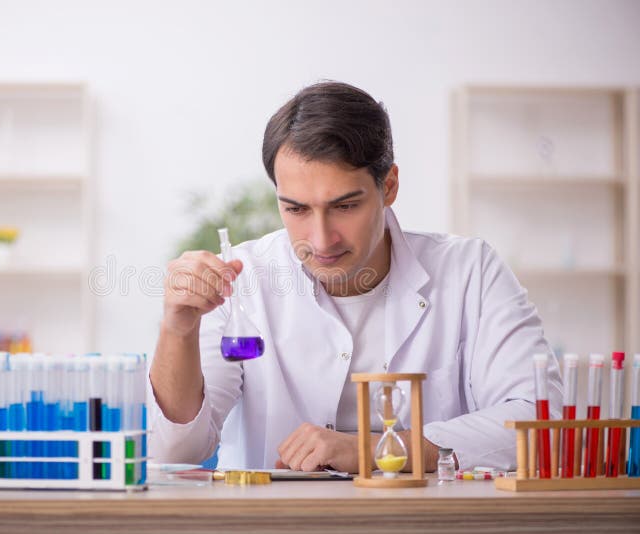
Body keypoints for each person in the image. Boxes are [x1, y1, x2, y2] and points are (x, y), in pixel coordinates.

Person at [149, 81, 563, 472]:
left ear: (390, 185)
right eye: (296, 209)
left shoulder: (470, 271)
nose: (321, 238)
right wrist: (177, 329)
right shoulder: (241, 280)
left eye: (345, 206)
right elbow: (176, 451)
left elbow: (540, 420)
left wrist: (381, 449)